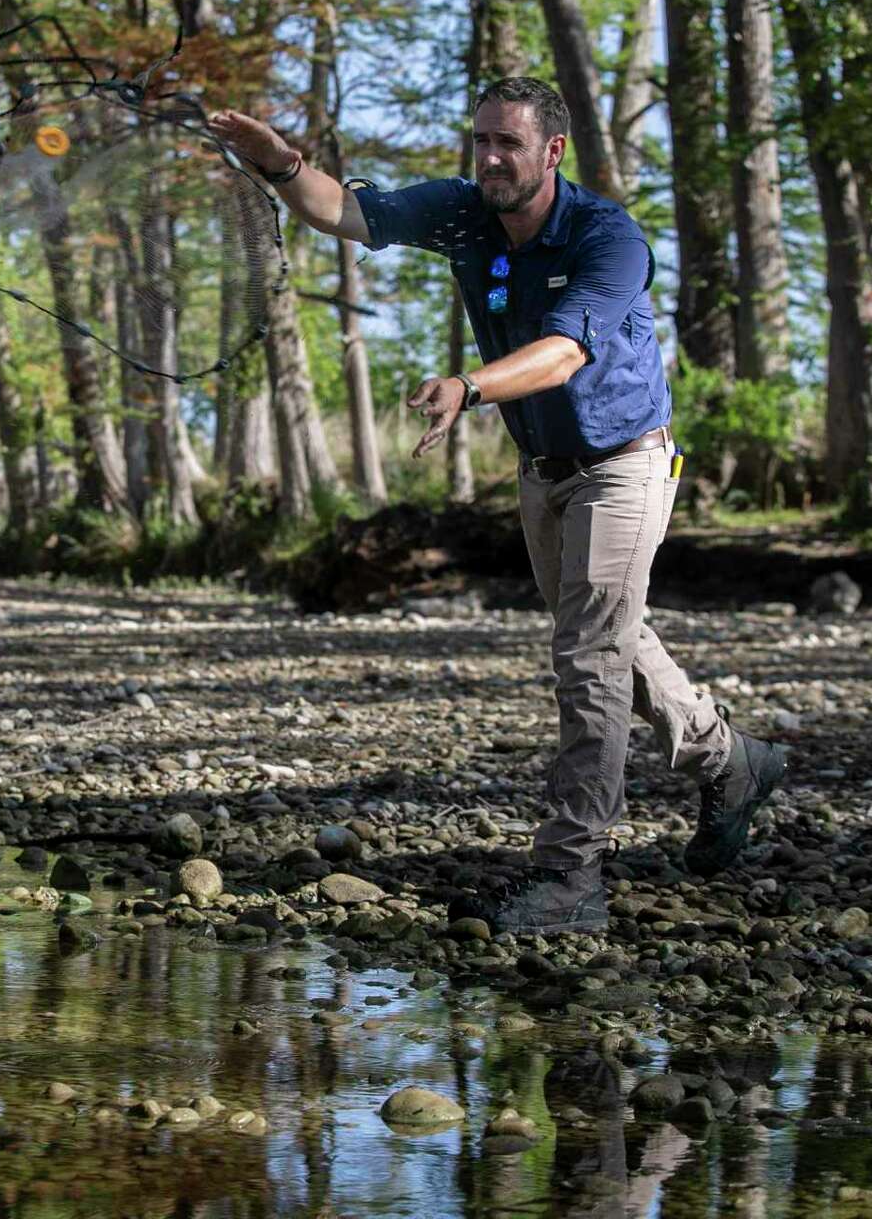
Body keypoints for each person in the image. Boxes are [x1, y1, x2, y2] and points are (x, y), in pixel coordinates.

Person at [205, 78, 788, 936]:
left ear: (551, 152)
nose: (487, 159)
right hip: (542, 466)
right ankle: (730, 760)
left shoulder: (608, 238)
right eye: (478, 140)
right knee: (607, 635)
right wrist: (280, 161)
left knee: (586, 654)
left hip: (625, 460)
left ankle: (571, 876)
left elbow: (560, 354)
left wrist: (469, 387)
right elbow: (346, 214)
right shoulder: (463, 210)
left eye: (505, 144)